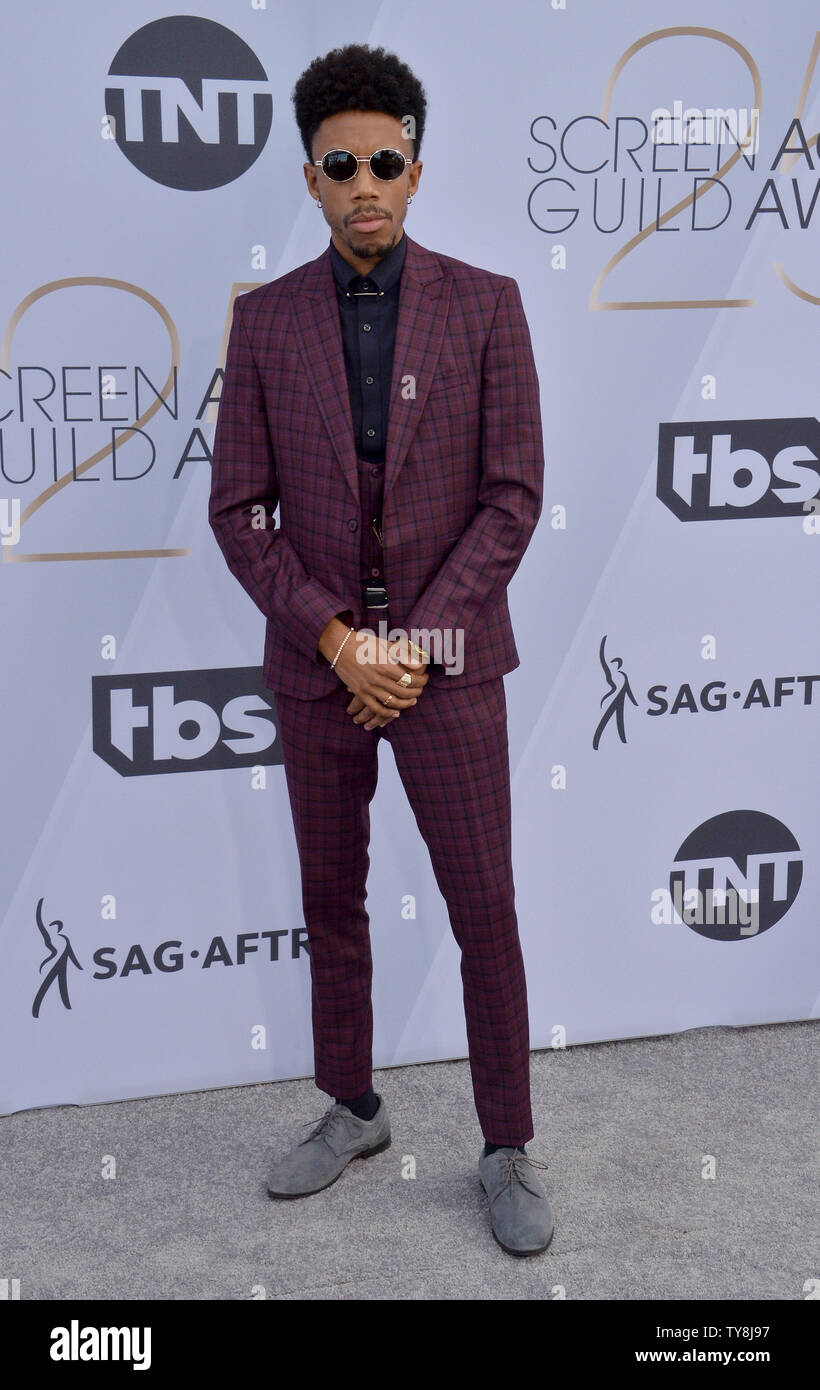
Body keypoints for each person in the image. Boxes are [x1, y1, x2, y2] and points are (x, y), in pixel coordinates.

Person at [209, 42, 551, 1256]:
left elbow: (511, 496)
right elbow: (239, 511)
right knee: (329, 898)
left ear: (416, 169)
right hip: (318, 670)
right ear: (309, 178)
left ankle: (506, 1140)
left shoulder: (486, 303)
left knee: (484, 908)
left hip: (445, 668)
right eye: (339, 164)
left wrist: (407, 645)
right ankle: (351, 1106)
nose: (365, 183)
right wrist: (340, 641)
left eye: (385, 162)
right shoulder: (263, 324)